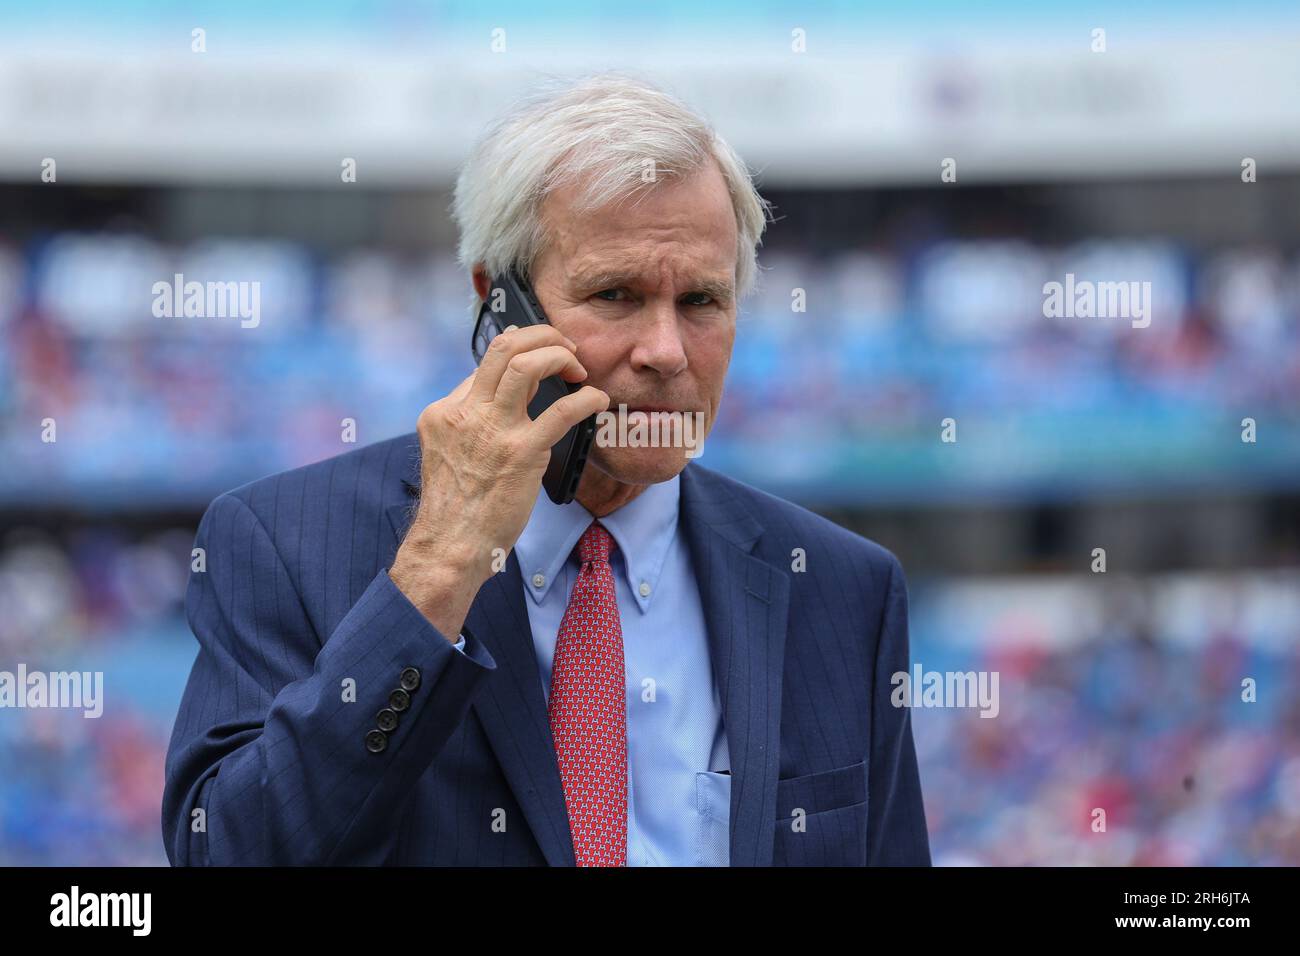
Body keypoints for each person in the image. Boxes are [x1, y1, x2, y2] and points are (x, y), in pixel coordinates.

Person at [162, 72, 930, 867]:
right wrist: (438, 569)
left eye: (702, 301)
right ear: (498, 304)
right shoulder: (282, 544)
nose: (665, 352)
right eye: (615, 295)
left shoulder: (846, 590)